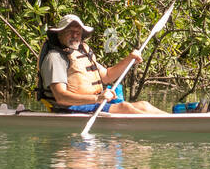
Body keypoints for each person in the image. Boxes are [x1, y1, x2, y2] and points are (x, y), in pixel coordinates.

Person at [37, 14, 167, 115]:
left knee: (143, 105)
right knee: (124, 107)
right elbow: (60, 97)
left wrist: (129, 59)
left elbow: (107, 76)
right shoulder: (55, 58)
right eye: (70, 31)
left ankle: (173, 120)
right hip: (69, 107)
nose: (75, 35)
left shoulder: (82, 51)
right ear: (60, 34)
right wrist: (97, 98)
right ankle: (167, 125)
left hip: (92, 101)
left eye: (78, 32)